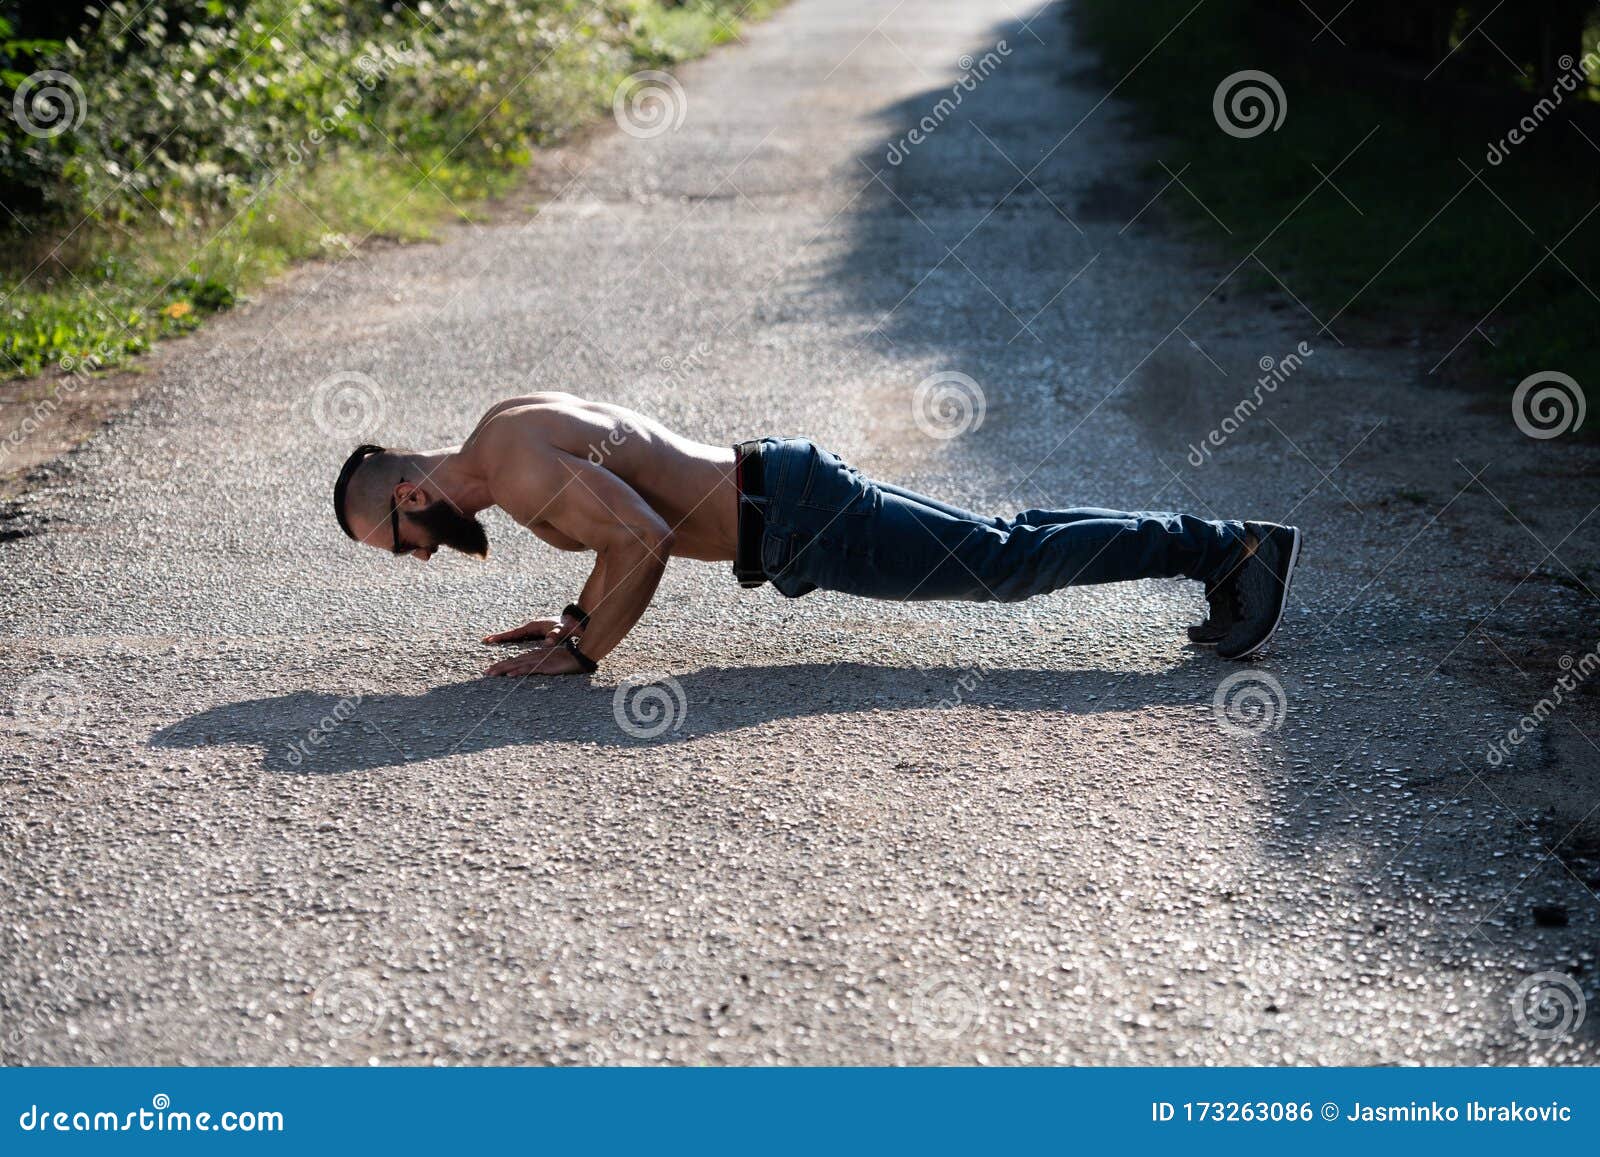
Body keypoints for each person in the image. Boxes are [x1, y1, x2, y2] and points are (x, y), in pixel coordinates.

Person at [331, 393, 1301, 675]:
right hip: (783, 491)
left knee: (1001, 566)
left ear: (413, 493)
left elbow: (644, 537)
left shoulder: (517, 469)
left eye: (396, 538)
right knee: (1001, 544)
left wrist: (585, 651)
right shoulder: (506, 431)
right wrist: (573, 615)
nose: (413, 557)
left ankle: (1224, 548)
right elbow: (620, 525)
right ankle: (1218, 547)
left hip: (794, 515)